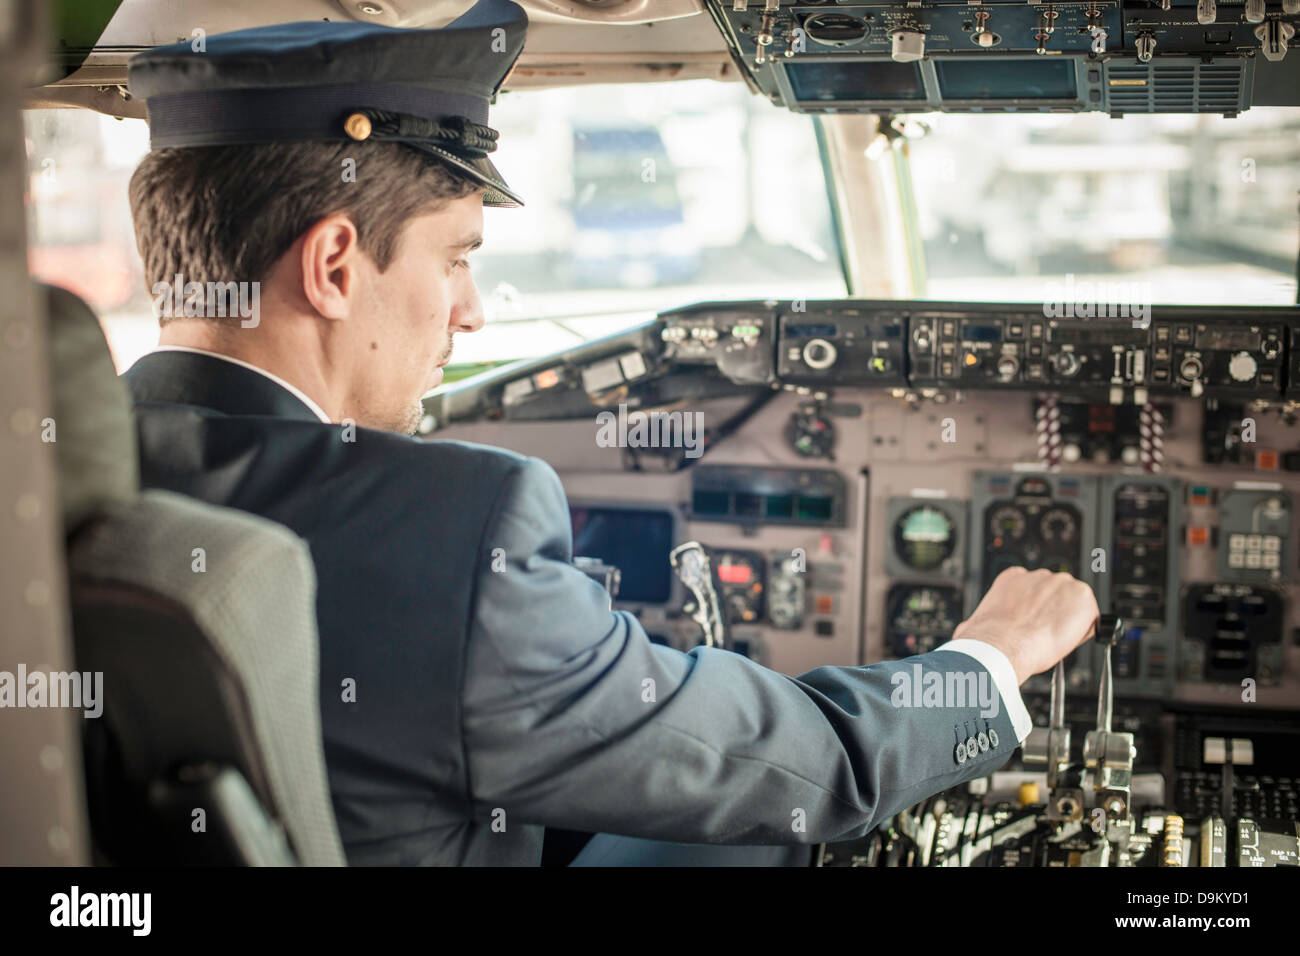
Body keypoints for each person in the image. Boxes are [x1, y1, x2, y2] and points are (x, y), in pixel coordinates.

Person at [120, 0, 1100, 865]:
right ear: (335, 264)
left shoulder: (55, 480)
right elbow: (804, 767)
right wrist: (989, 657)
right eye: (456, 261)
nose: (470, 313)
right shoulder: (449, 525)